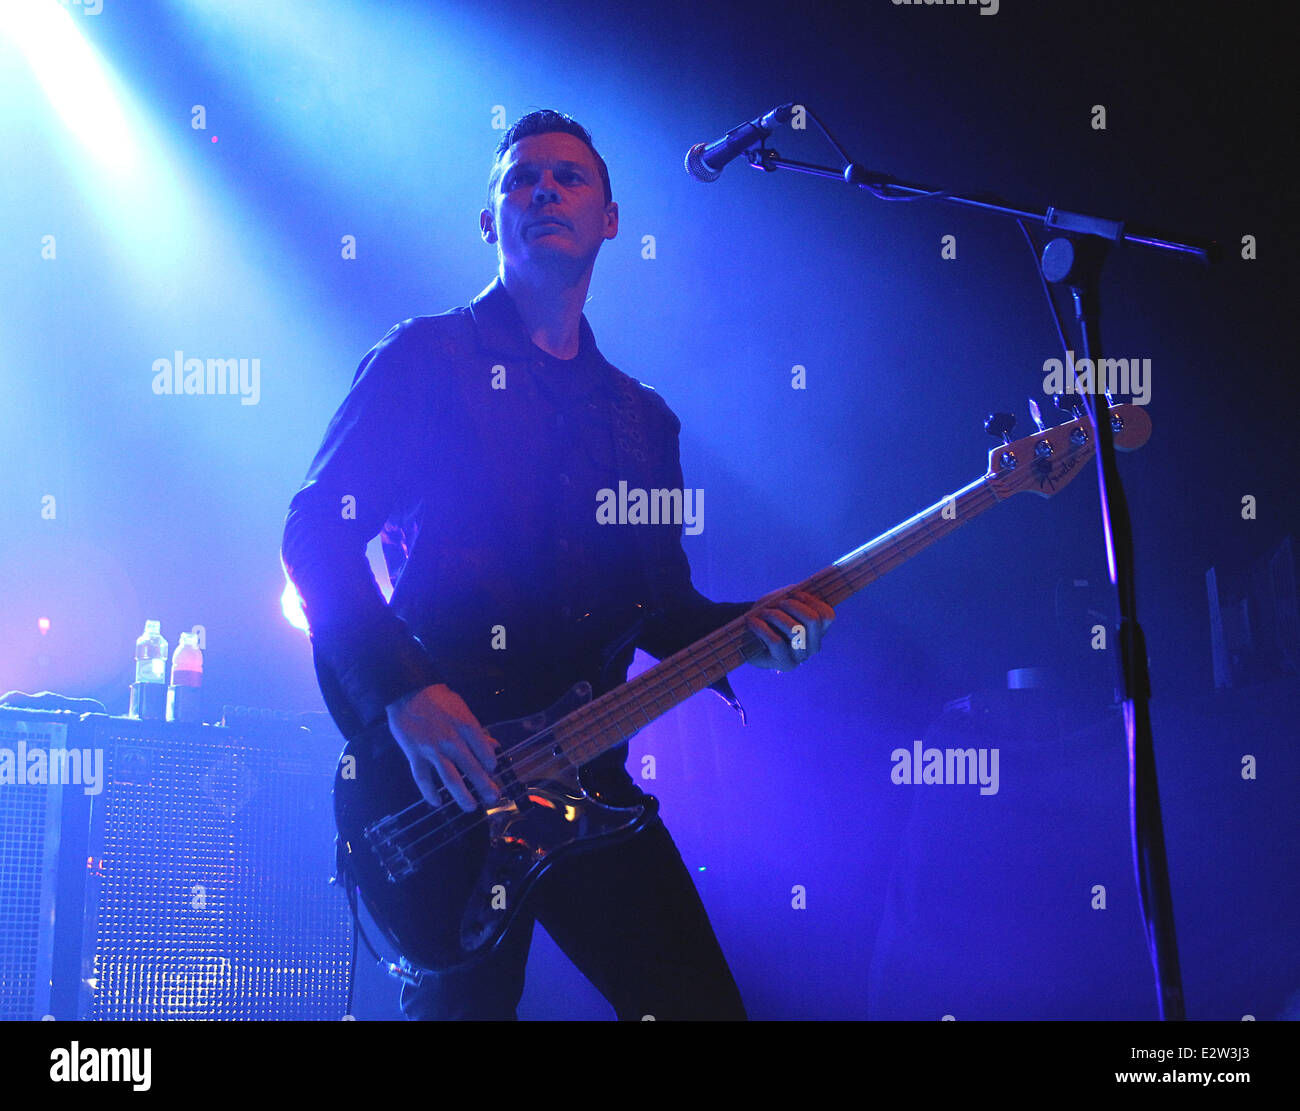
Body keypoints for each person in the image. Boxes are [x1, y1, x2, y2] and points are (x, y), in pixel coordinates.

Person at [281, 110, 834, 1020]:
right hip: (445, 785)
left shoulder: (642, 420)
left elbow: (661, 606)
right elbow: (314, 535)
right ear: (490, 221)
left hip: (587, 789)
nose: (543, 190)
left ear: (611, 219)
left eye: (569, 179)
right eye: (520, 179)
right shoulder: (423, 361)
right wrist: (404, 690)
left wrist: (757, 628)